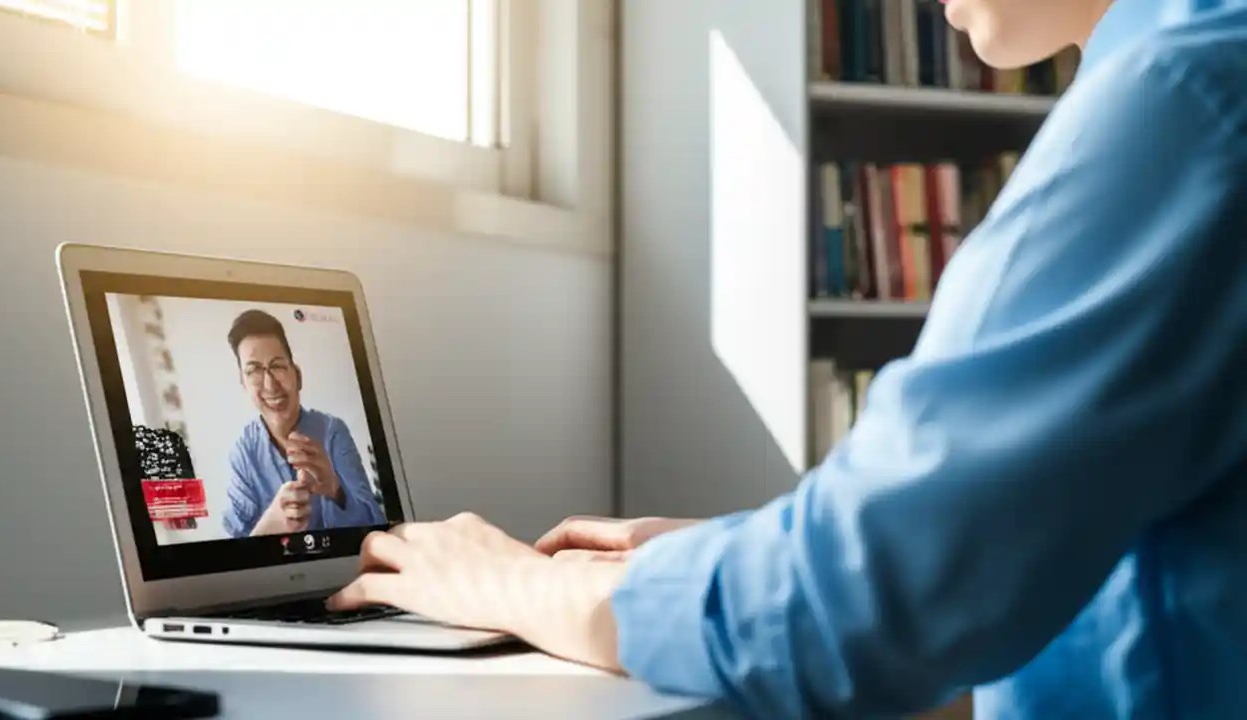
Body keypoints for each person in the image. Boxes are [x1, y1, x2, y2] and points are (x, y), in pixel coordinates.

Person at [327, 0, 1247, 716]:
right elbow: (1068, 538)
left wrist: (512, 584)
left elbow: (867, 612)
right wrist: (753, 552)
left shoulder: (1184, 96)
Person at [221, 310, 384, 538]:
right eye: (254, 370)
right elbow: (233, 556)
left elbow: (377, 526)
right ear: (243, 383)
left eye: (277, 366)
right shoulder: (243, 452)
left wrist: (336, 491)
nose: (270, 385)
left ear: (297, 375)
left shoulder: (332, 431)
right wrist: (273, 522)